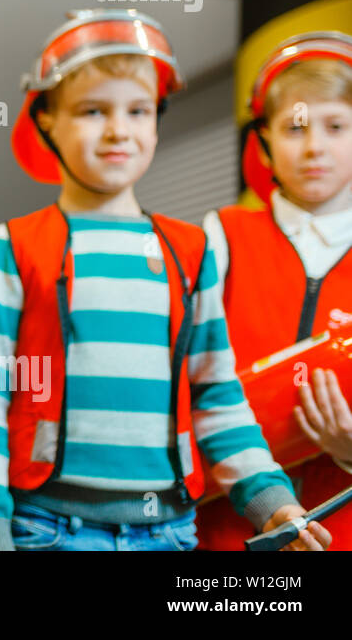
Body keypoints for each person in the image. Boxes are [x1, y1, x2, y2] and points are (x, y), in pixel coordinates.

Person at [0, 9, 328, 551]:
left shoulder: (192, 252)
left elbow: (217, 395)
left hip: (169, 533)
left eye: (138, 110)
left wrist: (273, 503)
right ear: (45, 120)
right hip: (48, 529)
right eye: (91, 110)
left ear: (156, 120)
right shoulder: (12, 246)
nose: (118, 130)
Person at [197, 32, 352, 550]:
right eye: (295, 128)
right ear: (262, 140)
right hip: (223, 534)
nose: (315, 147)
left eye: (336, 126)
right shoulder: (222, 235)